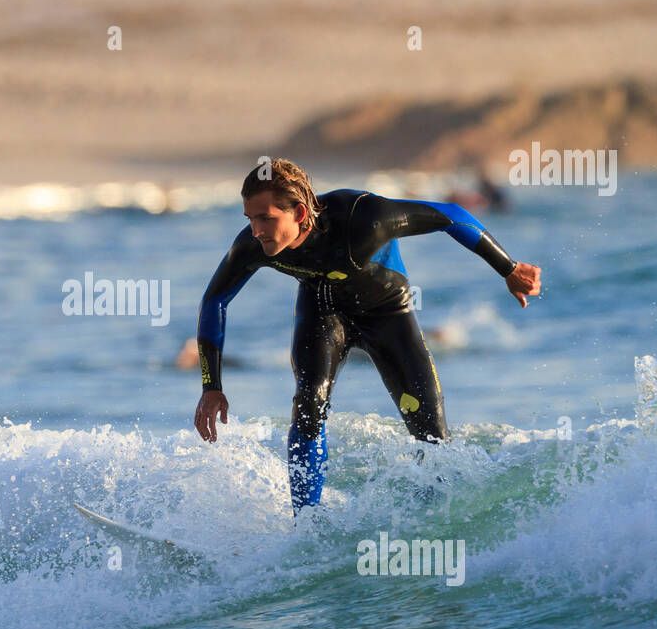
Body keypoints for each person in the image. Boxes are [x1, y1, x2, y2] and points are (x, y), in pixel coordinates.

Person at [193, 159, 541, 515]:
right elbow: (215, 299)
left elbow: (450, 215)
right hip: (323, 310)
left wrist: (509, 268)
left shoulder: (363, 219)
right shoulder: (251, 245)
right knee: (309, 404)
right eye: (249, 219)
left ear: (299, 212)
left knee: (431, 435)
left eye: (265, 218)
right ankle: (306, 525)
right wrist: (211, 387)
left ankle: (436, 520)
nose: (255, 231)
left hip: (387, 312)